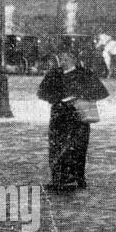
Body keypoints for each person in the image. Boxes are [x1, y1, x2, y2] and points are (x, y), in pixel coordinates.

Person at [36, 52, 108, 193]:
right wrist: (59, 99)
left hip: (78, 117)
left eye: (66, 58)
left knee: (78, 147)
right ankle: (58, 179)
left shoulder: (85, 73)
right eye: (61, 58)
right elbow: (42, 93)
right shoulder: (54, 74)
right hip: (59, 116)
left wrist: (81, 97)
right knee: (57, 146)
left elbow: (101, 92)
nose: (62, 61)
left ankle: (77, 178)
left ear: (73, 59)